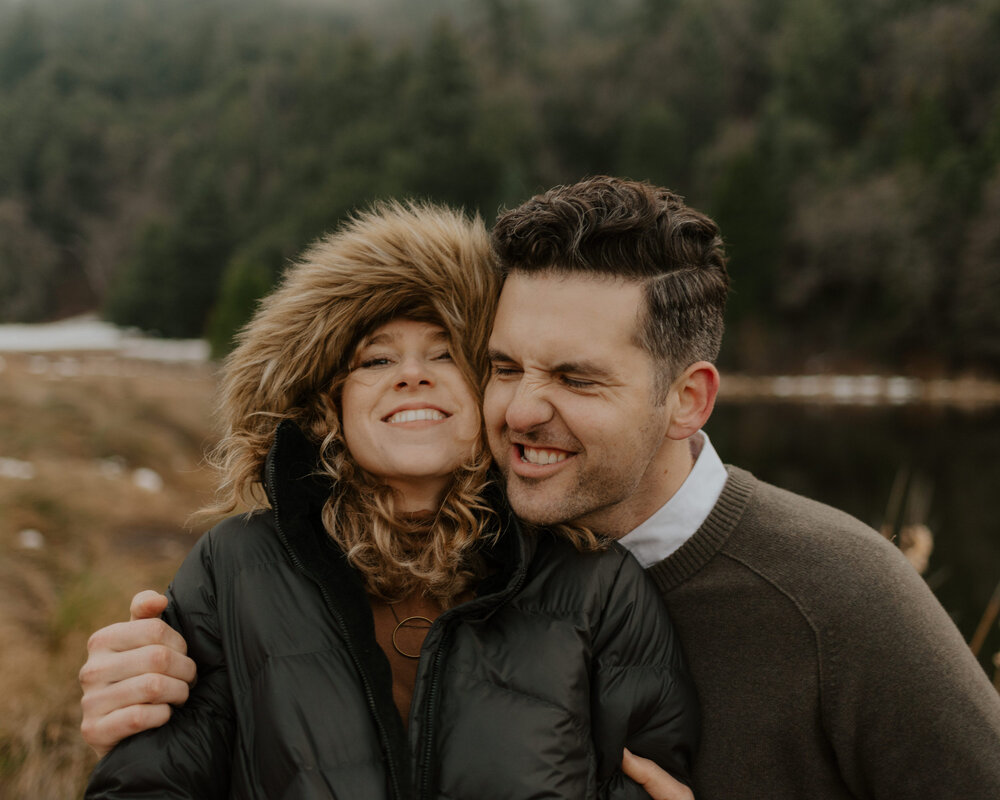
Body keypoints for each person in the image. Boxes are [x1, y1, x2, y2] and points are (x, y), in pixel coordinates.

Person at [82, 177, 1000, 799]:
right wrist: (142, 706)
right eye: (506, 366)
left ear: (687, 399)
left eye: (576, 378)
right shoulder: (415, 565)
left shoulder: (845, 597)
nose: (521, 409)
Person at [82, 200, 699, 799]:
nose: (412, 375)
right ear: (328, 406)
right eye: (376, 359)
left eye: (446, 354)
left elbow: (647, 776)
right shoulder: (233, 568)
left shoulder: (597, 584)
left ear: (490, 391)